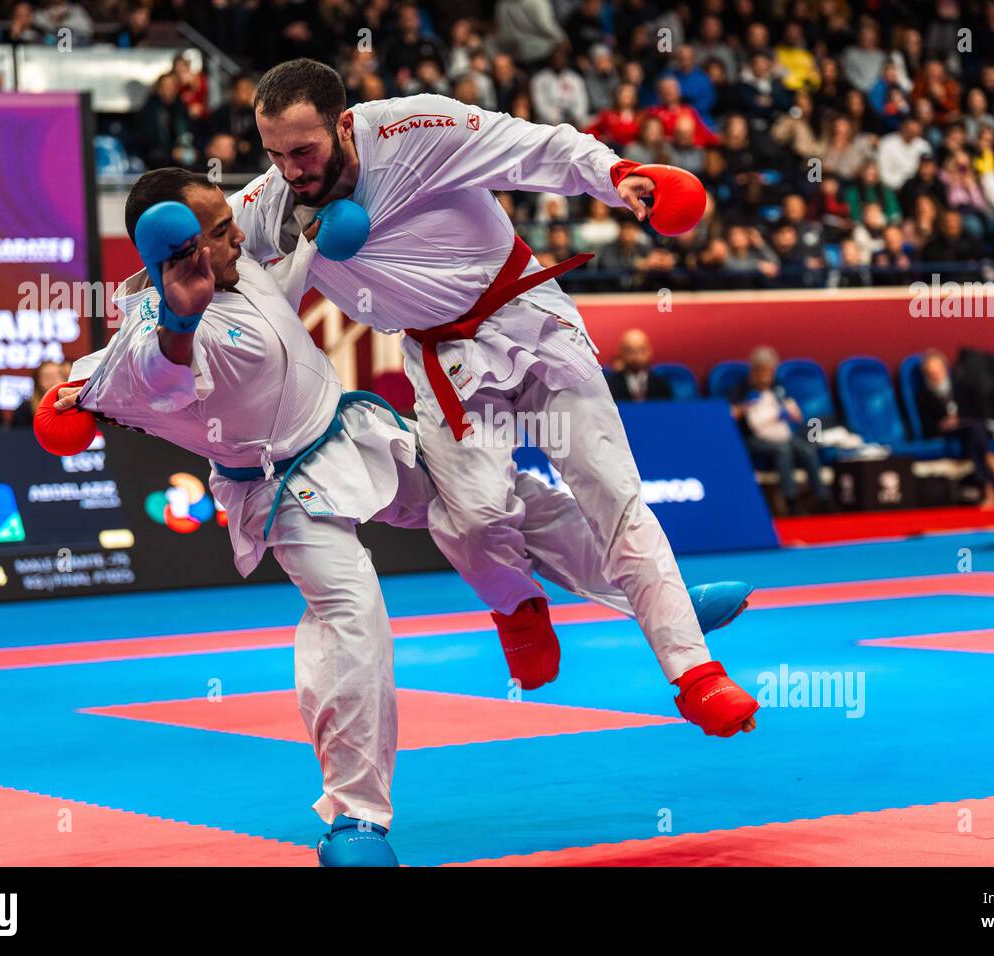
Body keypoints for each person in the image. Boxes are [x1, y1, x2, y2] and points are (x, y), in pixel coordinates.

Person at [46, 169, 751, 866]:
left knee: (493, 502)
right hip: (281, 491)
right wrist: (174, 321)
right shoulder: (149, 330)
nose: (236, 237)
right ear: (177, 254)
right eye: (220, 233)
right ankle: (354, 819)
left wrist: (314, 245)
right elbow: (152, 379)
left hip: (350, 433)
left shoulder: (237, 268)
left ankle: (662, 607)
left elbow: (278, 288)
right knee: (351, 615)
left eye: (232, 226)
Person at [231, 58, 761, 742]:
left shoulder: (419, 128)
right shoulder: (271, 208)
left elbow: (540, 147)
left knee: (610, 489)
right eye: (275, 154)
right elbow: (188, 267)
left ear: (344, 125)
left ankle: (696, 675)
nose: (292, 169)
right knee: (475, 518)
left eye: (303, 151)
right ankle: (517, 606)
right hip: (441, 357)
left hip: (527, 317)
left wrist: (618, 175)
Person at [731, 347, 829, 515]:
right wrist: (745, 407)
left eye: (771, 371)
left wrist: (788, 412)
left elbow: (797, 415)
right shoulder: (743, 388)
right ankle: (791, 501)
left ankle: (822, 498)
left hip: (782, 435)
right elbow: (730, 414)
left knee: (807, 449)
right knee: (783, 451)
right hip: (755, 438)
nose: (768, 375)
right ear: (756, 369)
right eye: (764, 371)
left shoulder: (778, 387)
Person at [915, 349, 994, 510]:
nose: (935, 375)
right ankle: (993, 467)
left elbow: (976, 412)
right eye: (931, 373)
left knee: (974, 431)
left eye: (938, 371)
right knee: (975, 430)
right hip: (948, 432)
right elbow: (928, 425)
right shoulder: (923, 396)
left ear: (945, 369)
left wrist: (960, 418)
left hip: (968, 429)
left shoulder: (960, 387)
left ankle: (988, 490)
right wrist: (945, 423)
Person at [604, 329, 673, 401]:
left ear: (649, 351)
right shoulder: (610, 385)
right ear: (621, 352)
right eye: (629, 350)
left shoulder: (662, 385)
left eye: (641, 350)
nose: (636, 356)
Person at [10, 360, 67, 428]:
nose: (52, 381)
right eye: (47, 377)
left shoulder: (75, 405)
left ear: (65, 378)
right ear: (37, 381)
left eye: (56, 376)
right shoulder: (25, 409)